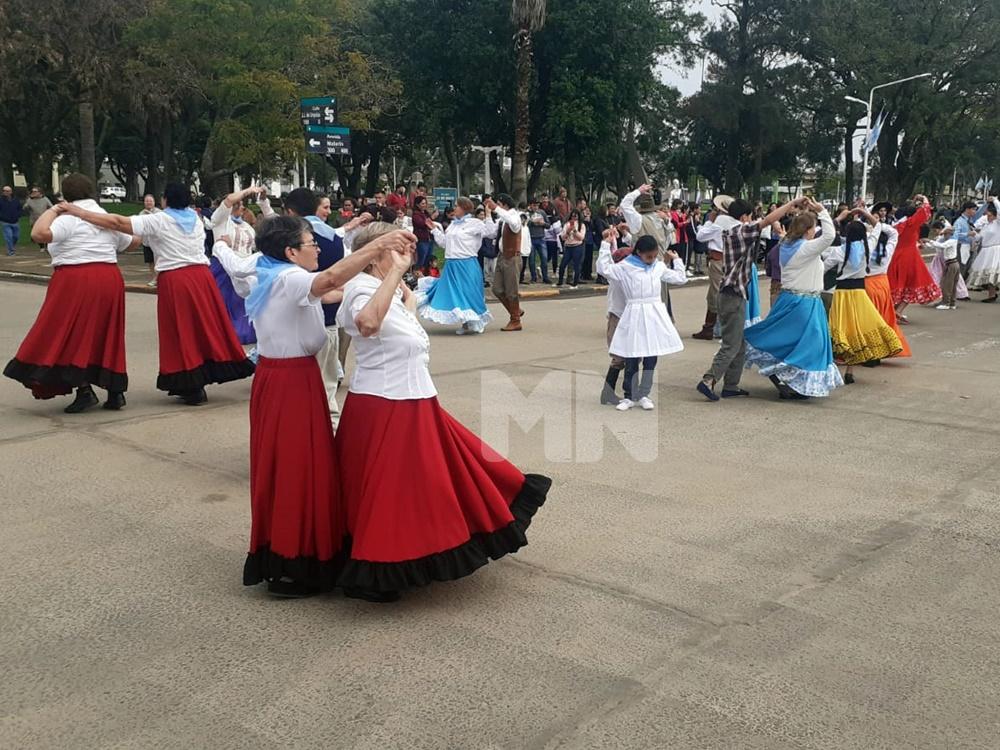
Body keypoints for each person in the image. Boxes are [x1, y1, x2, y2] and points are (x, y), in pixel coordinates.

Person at [334, 222, 551, 602]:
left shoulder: (391, 288)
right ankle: (378, 566)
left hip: (410, 400)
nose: (406, 255)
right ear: (374, 255)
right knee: (391, 491)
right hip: (386, 404)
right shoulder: (361, 288)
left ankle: (409, 549)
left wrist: (405, 294)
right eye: (397, 248)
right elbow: (367, 324)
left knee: (433, 481)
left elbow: (404, 334)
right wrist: (396, 277)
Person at [241, 216, 417, 598]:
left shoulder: (267, 272)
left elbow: (333, 291)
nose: (317, 250)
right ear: (290, 251)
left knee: (292, 469)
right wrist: (376, 247)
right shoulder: (289, 278)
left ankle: (292, 554)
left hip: (282, 378)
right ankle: (294, 563)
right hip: (291, 381)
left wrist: (381, 281)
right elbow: (330, 281)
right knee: (297, 470)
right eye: (311, 244)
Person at [60, 182, 254, 405]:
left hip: (176, 277)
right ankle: (203, 376)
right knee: (203, 328)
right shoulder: (197, 218)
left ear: (165, 200)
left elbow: (118, 222)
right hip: (201, 276)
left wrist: (80, 213)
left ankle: (191, 383)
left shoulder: (160, 219)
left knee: (181, 331)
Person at [4, 173, 137, 412]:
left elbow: (38, 234)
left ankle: (84, 389)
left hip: (76, 276)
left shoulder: (68, 218)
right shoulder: (104, 216)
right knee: (107, 331)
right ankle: (115, 390)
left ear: (66, 195)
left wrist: (54, 210)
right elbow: (133, 241)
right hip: (109, 275)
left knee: (72, 332)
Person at [260, 188, 370, 424]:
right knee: (326, 388)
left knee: (309, 396)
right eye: (326, 207)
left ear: (289, 211)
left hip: (301, 333)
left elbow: (327, 283)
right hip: (328, 322)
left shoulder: (285, 249)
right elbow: (331, 281)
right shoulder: (331, 236)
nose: (315, 249)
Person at [696, 197, 805, 401]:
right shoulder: (742, 231)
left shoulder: (729, 231)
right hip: (733, 295)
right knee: (731, 343)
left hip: (731, 293)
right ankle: (708, 380)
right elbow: (768, 220)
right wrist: (791, 204)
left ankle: (731, 385)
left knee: (741, 342)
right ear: (745, 216)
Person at [743, 201, 844, 399]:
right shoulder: (805, 248)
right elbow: (830, 235)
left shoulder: (786, 244)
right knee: (810, 346)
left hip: (791, 299)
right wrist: (822, 211)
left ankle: (788, 380)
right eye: (813, 228)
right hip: (804, 303)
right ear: (807, 231)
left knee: (789, 342)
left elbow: (791, 237)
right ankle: (790, 381)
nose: (815, 232)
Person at [596, 229, 687, 411]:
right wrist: (606, 245)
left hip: (654, 313)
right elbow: (603, 268)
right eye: (648, 256)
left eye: (654, 256)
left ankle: (644, 393)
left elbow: (680, 278)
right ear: (638, 252)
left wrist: (676, 260)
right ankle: (629, 395)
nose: (652, 259)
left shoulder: (658, 266)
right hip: (634, 312)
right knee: (632, 355)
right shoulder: (626, 267)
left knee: (651, 356)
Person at [825, 220, 903, 383]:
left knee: (839, 328)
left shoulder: (839, 250)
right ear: (862, 234)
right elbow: (879, 229)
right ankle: (850, 370)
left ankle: (832, 366)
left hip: (841, 294)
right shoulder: (869, 246)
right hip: (859, 293)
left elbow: (823, 268)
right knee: (858, 329)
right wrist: (870, 219)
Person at [418, 196, 503, 334]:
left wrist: (488, 214)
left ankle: (477, 320)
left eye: (457, 206)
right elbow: (445, 243)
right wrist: (434, 230)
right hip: (451, 264)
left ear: (464, 208)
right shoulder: (452, 225)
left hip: (467, 263)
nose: (454, 208)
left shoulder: (474, 223)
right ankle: (465, 323)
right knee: (456, 295)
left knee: (470, 293)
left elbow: (491, 233)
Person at [211, 186, 263, 348]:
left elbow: (254, 244)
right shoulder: (220, 220)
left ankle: (245, 331)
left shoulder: (246, 226)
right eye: (240, 204)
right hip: (224, 266)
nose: (242, 207)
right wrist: (249, 190)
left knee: (243, 303)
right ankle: (223, 334)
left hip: (245, 267)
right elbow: (228, 200)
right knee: (226, 302)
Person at [859, 209, 910, 356]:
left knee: (867, 321)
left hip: (866, 284)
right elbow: (893, 233)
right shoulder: (888, 248)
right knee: (882, 319)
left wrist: (865, 216)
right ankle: (883, 350)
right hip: (882, 284)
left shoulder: (864, 248)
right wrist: (873, 220)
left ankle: (867, 351)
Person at [887, 194, 939, 319]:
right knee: (913, 284)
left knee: (899, 285)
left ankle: (894, 311)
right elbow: (925, 211)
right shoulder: (911, 224)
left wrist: (914, 202)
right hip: (910, 256)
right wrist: (924, 199)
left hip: (895, 256)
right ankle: (898, 310)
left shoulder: (895, 226)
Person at [598, 240, 633, 405]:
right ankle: (609, 392)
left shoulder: (626, 273)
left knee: (631, 356)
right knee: (620, 358)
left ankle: (626, 392)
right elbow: (602, 266)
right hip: (617, 317)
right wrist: (605, 245)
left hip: (626, 316)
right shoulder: (618, 274)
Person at [489, 195, 526, 331]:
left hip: (512, 257)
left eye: (499, 204)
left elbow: (515, 225)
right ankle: (515, 310)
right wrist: (488, 215)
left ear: (504, 204)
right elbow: (492, 232)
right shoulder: (503, 219)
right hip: (502, 256)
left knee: (511, 291)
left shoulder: (513, 216)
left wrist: (496, 208)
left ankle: (515, 320)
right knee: (497, 289)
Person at [967, 197, 1000, 302]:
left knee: (995, 273)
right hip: (986, 251)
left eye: (990, 215)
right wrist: (973, 234)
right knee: (989, 274)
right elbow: (980, 237)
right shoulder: (986, 225)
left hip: (996, 250)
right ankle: (992, 295)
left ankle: (992, 294)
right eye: (987, 215)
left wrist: (995, 201)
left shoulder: (998, 223)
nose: (988, 217)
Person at [921, 223, 961, 310]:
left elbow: (942, 246)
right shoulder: (948, 240)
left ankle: (947, 303)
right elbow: (937, 245)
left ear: (950, 234)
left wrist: (929, 240)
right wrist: (925, 244)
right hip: (950, 264)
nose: (945, 236)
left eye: (946, 234)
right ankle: (951, 303)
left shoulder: (952, 241)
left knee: (947, 284)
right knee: (950, 284)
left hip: (952, 263)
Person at [556, 210, 586, 288]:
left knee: (576, 265)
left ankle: (575, 283)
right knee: (562, 265)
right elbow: (562, 237)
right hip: (568, 247)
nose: (574, 218)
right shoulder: (567, 224)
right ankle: (560, 282)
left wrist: (575, 231)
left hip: (577, 246)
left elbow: (581, 238)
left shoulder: (581, 225)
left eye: (575, 216)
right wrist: (568, 232)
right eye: (572, 216)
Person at [137, 194, 161, 287]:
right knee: (150, 261)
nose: (149, 203)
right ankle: (154, 277)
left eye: (150, 201)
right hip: (146, 242)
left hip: (157, 242)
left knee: (158, 260)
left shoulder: (159, 213)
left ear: (154, 202)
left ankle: (159, 278)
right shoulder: (141, 213)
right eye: (147, 201)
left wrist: (150, 215)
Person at [0, 185, 25, 255]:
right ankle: (11, 251)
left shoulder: (15, 200)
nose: (6, 192)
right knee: (9, 236)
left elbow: (20, 208)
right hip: (5, 222)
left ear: (11, 192)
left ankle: (11, 246)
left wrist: (18, 215)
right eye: (4, 191)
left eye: (7, 191)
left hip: (15, 221)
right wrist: (2, 217)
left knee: (16, 236)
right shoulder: (1, 200)